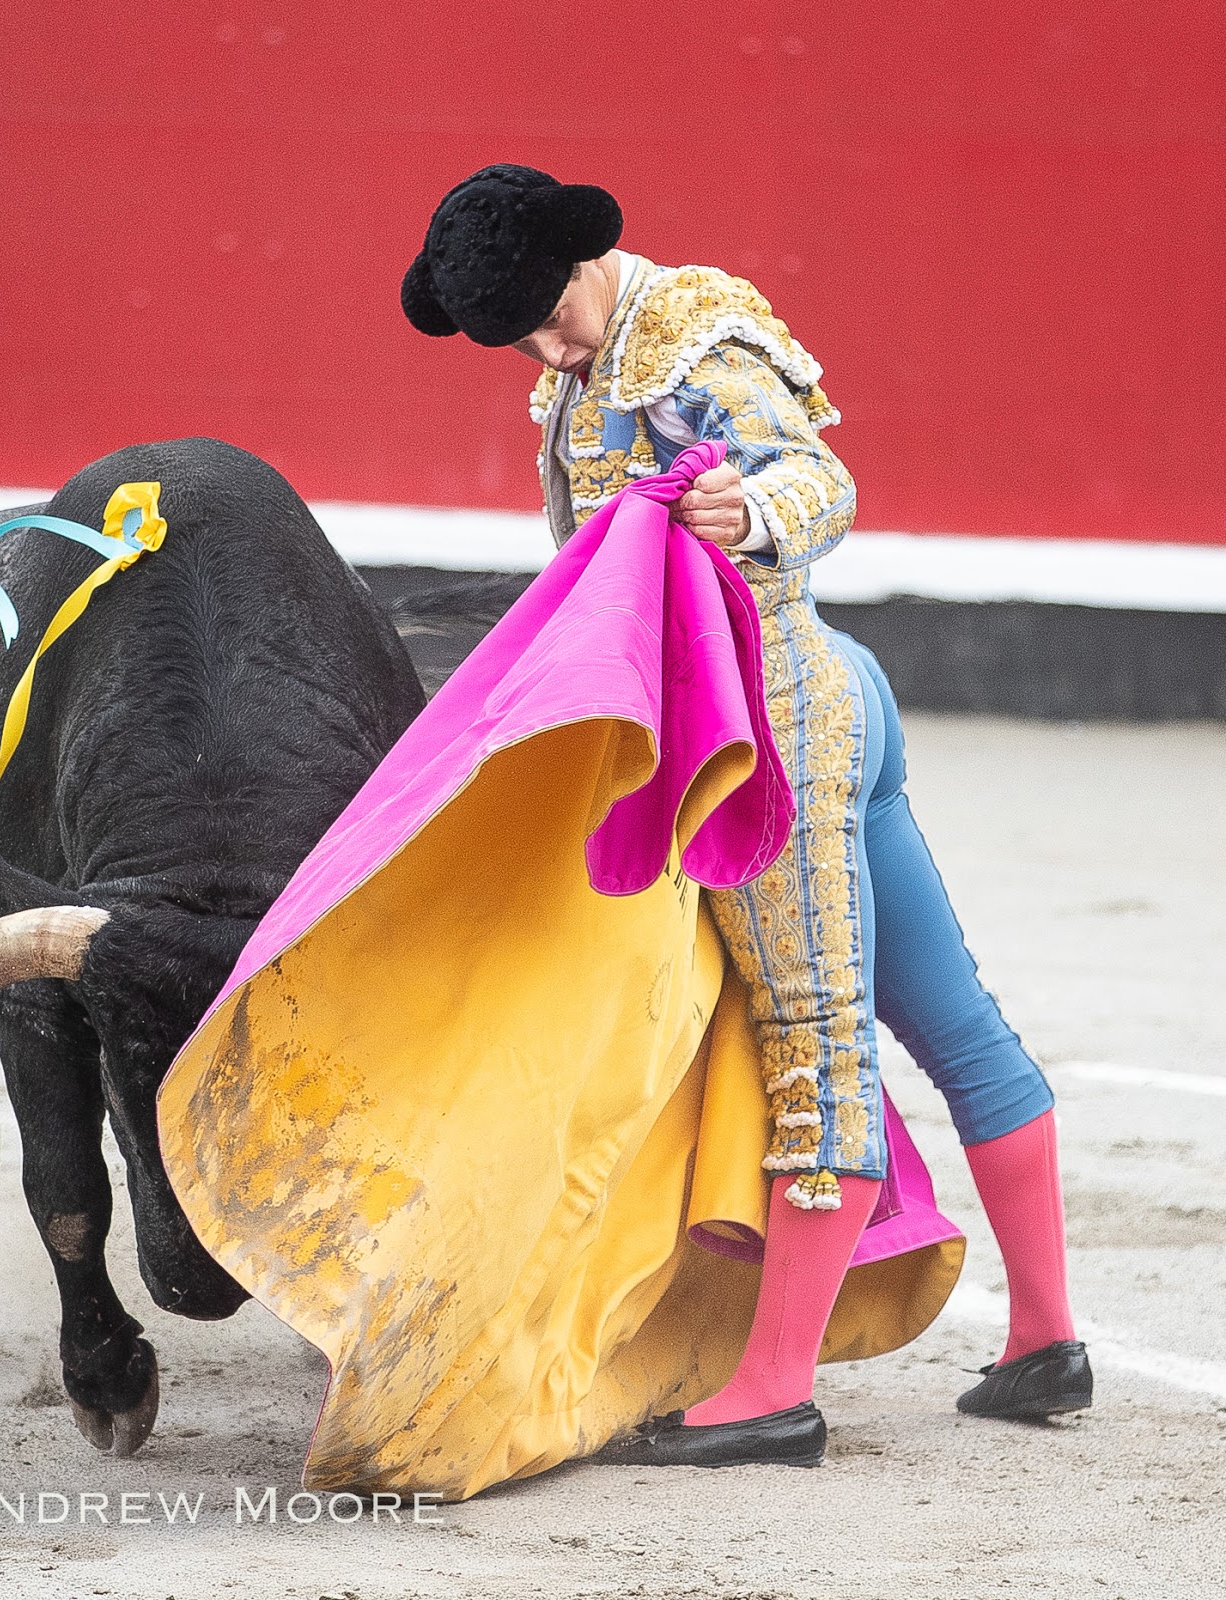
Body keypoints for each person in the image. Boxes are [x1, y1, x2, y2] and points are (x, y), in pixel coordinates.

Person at [399, 164, 1091, 1468]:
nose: (551, 349)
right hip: (799, 708)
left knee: (813, 1037)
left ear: (590, 256)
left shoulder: (692, 337)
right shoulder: (587, 363)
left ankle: (774, 1389)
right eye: (527, 340)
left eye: (553, 317)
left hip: (770, 731)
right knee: (952, 1023)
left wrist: (754, 506)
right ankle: (1046, 1340)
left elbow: (821, 481)